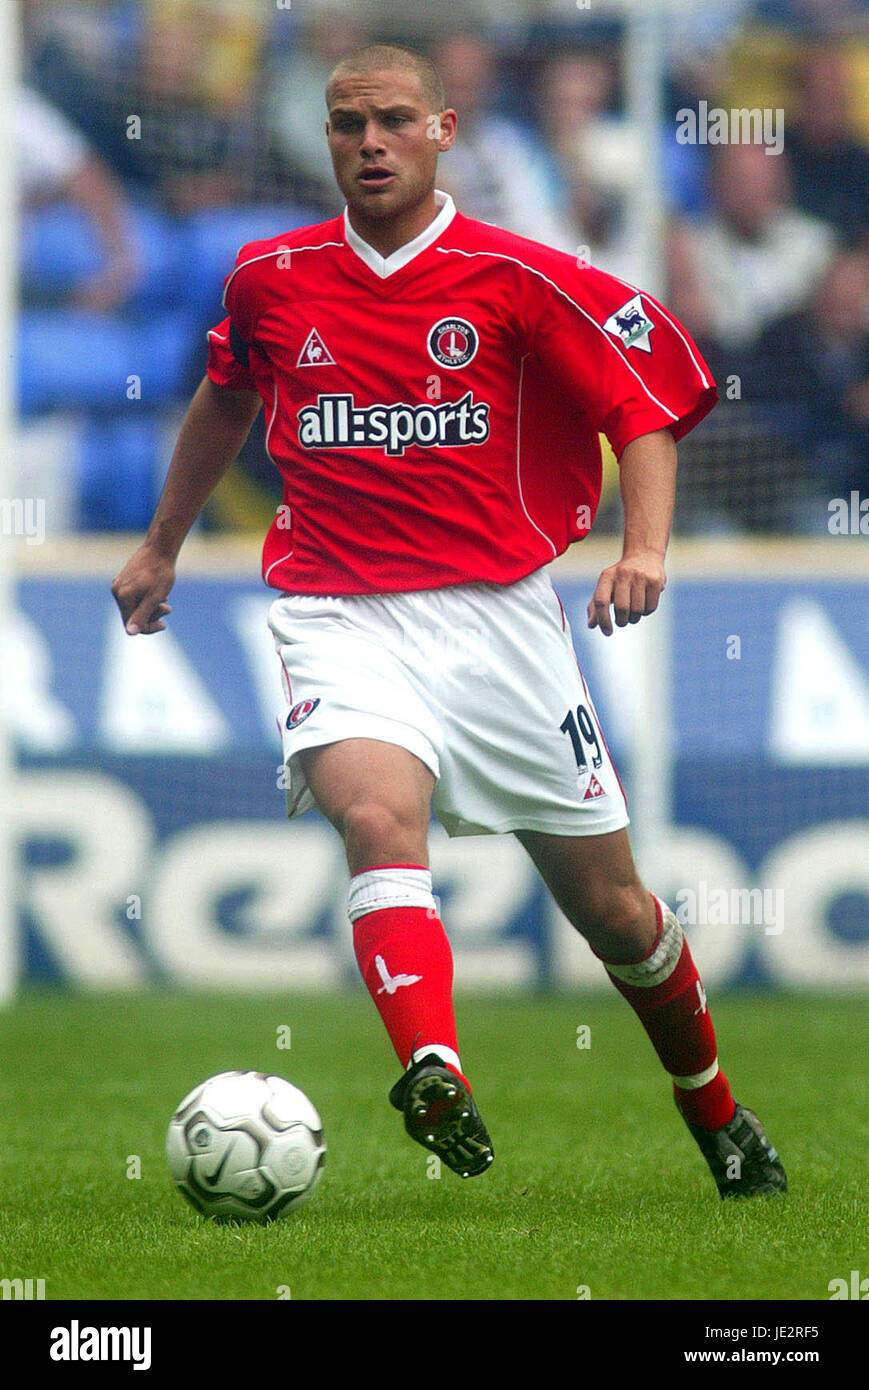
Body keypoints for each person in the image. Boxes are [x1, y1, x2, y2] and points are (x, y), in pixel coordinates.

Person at [111, 44, 787, 1198]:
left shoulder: (519, 276)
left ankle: (718, 1116)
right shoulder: (271, 277)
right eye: (344, 125)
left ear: (442, 131)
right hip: (336, 610)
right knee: (378, 818)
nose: (366, 143)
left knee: (619, 916)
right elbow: (225, 392)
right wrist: (162, 542)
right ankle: (431, 1066)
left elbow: (643, 409)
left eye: (389, 121)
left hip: (501, 623)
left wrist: (644, 550)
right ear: (323, 139)